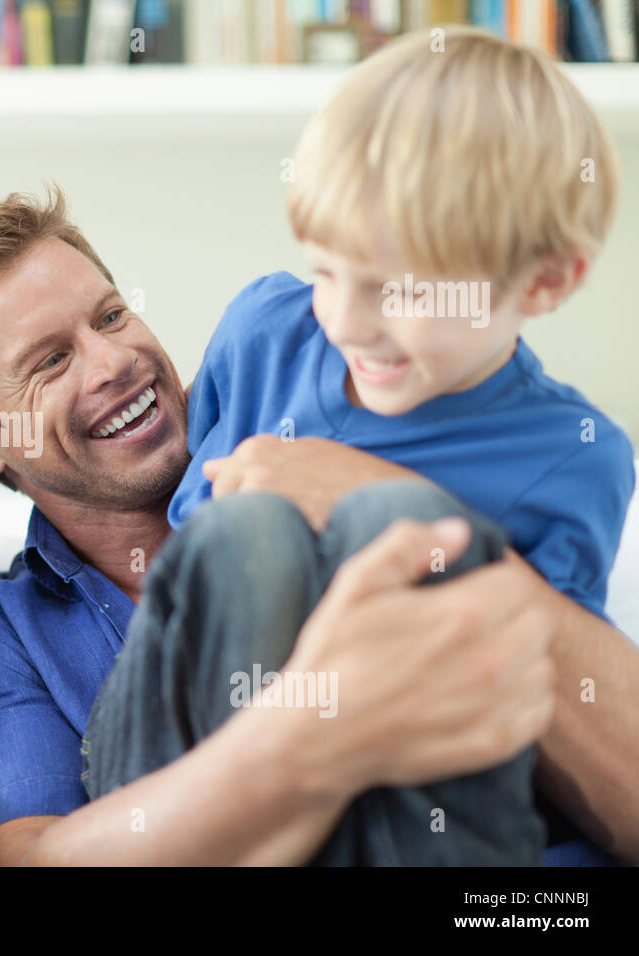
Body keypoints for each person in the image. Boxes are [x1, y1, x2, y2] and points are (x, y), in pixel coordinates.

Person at [0, 185, 639, 865]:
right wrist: (316, 734)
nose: (112, 362)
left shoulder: (320, 398)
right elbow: (32, 859)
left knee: (388, 516)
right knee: (252, 540)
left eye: (112, 315)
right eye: (50, 362)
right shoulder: (2, 632)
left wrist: (376, 493)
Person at [80, 27, 634, 862]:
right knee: (248, 531)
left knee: (404, 521)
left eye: (396, 289)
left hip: (402, 806)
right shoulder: (267, 328)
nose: (343, 320)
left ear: (545, 279)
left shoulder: (574, 454)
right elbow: (192, 572)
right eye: (327, 271)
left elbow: (525, 694)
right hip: (183, 777)